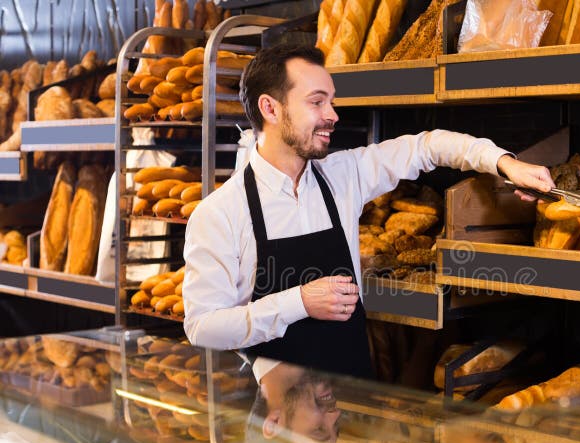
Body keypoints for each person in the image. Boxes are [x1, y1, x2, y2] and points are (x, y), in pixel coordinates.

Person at [182, 44, 554, 378]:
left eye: (331, 101)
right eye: (317, 102)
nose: (333, 115)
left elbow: (427, 147)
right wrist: (298, 302)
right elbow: (202, 326)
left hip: (353, 403)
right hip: (278, 427)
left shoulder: (342, 176)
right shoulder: (221, 213)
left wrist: (506, 164)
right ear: (270, 108)